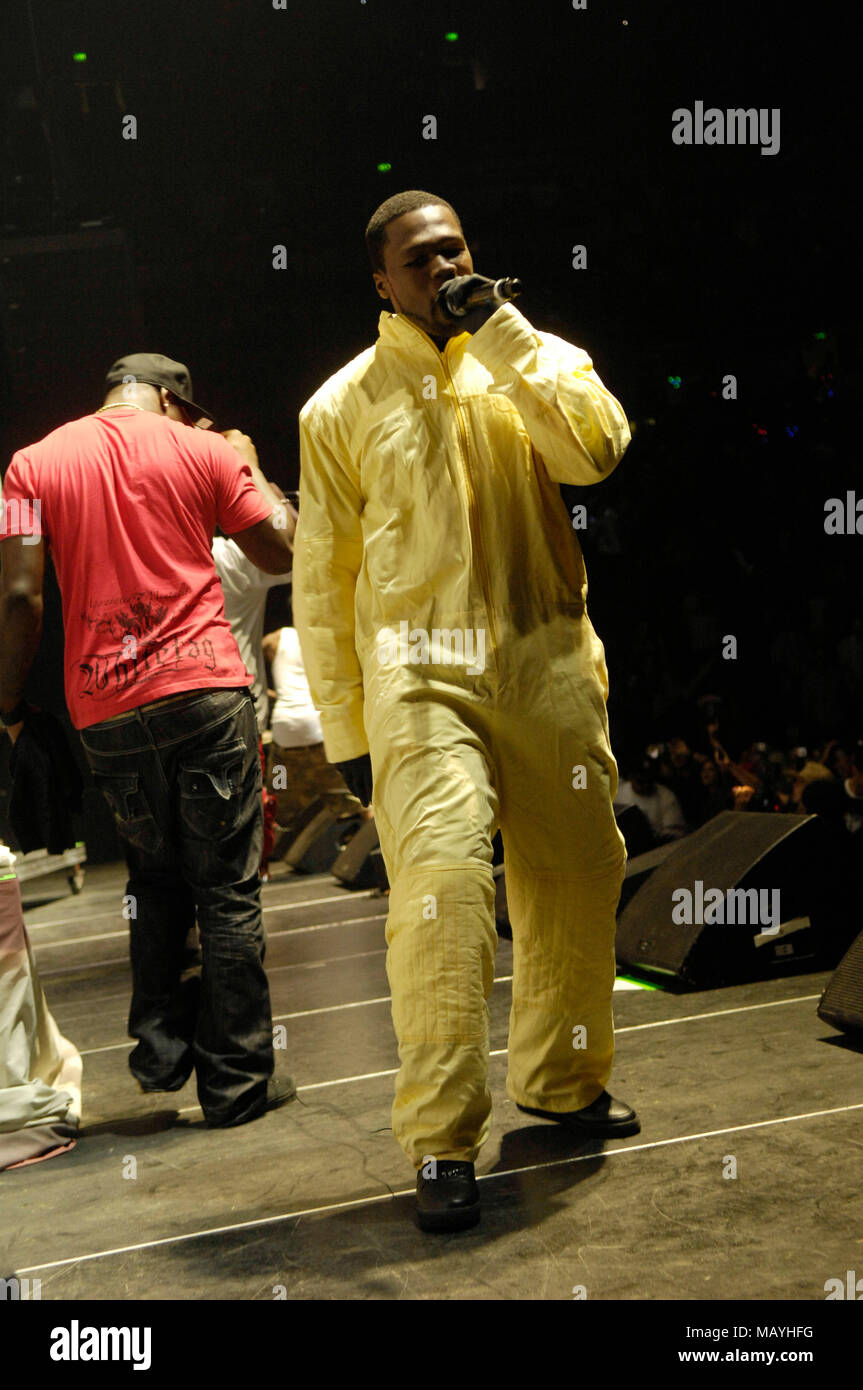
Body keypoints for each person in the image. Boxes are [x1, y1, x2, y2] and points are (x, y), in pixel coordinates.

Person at [293, 190, 637, 1232]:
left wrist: (506, 335)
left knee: (576, 874)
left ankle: (561, 1082)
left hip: (546, 657)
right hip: (418, 671)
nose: (443, 268)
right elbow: (321, 576)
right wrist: (344, 736)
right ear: (382, 282)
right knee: (441, 887)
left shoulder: (530, 356)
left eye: (455, 249)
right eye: (419, 258)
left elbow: (596, 452)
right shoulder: (338, 407)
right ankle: (441, 1140)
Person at [0, 352, 295, 1129]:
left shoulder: (31, 463)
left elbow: (22, 595)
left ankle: (161, 1054)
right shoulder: (203, 451)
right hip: (202, 693)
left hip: (103, 709)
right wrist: (248, 466)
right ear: (171, 399)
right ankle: (236, 1084)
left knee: (154, 879)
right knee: (226, 889)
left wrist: (7, 704)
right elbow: (282, 550)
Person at [212, 527, 294, 874]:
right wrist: (269, 492)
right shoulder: (231, 559)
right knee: (241, 851)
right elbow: (295, 548)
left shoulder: (142, 553)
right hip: (237, 714)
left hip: (158, 711)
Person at [263, 625, 364, 845]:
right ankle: (360, 840)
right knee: (345, 792)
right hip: (318, 727)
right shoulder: (326, 634)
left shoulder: (275, 639)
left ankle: (278, 843)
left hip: (284, 731)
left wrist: (272, 694)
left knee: (278, 789)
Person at [615, 758, 688, 844]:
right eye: (641, 781)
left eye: (649, 781)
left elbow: (675, 834)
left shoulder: (666, 796)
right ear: (631, 777)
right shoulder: (618, 794)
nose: (646, 785)